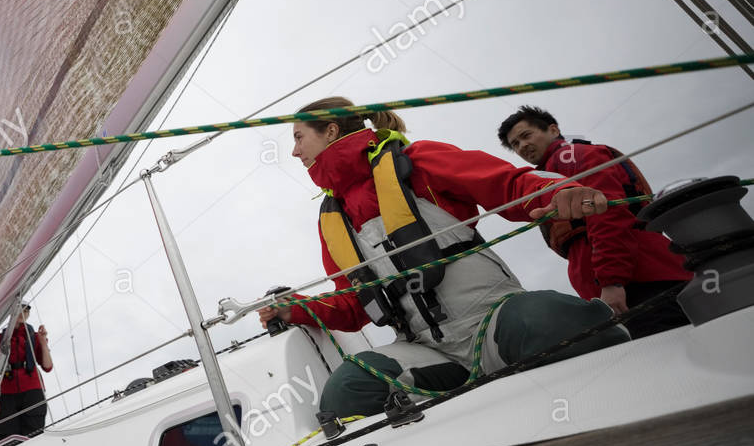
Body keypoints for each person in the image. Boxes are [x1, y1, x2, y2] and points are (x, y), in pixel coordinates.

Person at [257, 97, 629, 418]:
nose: (294, 151)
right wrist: (298, 309)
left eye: (298, 137)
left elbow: (507, 184)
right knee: (347, 390)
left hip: (493, 322)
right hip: (428, 352)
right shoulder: (331, 220)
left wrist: (558, 191)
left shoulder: (416, 161)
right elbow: (353, 307)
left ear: (332, 132)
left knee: (547, 318)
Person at [497, 105, 691, 338]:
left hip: (640, 283)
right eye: (515, 144)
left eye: (526, 135)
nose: (522, 146)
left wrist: (612, 282)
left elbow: (608, 215)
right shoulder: (547, 177)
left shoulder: (571, 157)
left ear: (553, 129)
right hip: (618, 287)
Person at [0, 302, 53, 442]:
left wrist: (43, 343)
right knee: (5, 440)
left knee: (34, 436)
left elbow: (47, 367)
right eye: (19, 310)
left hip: (32, 391)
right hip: (7, 393)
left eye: (26, 311)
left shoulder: (34, 337)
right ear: (10, 313)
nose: (23, 313)